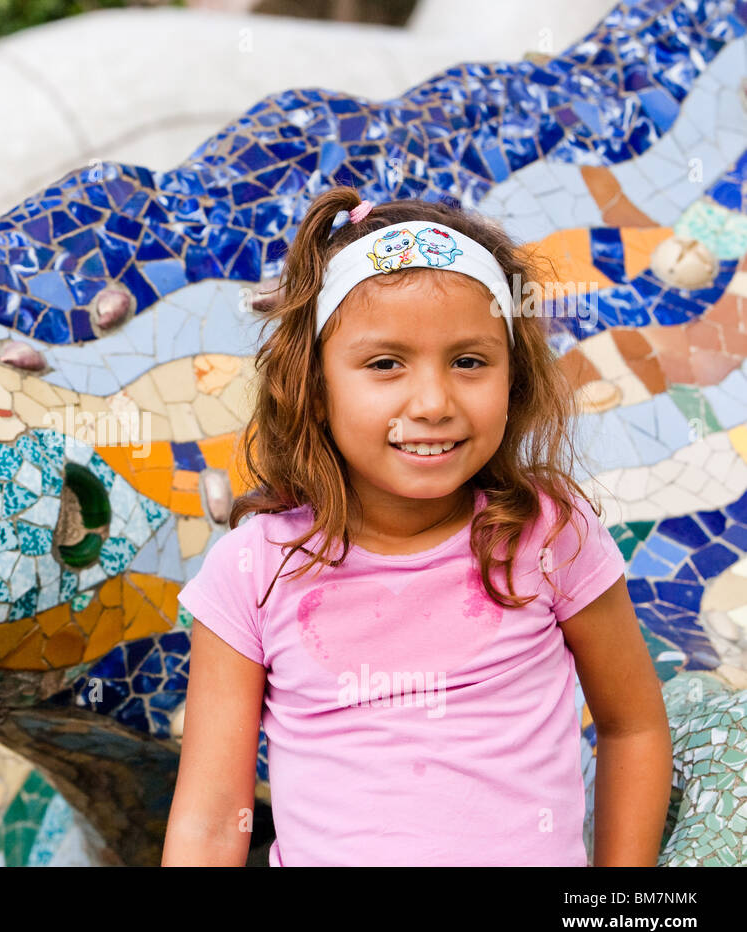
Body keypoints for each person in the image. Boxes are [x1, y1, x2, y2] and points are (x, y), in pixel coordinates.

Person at [161, 187, 673, 867]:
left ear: (513, 378)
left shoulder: (549, 537)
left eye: (468, 361)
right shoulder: (254, 570)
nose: (432, 403)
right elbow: (208, 819)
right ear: (314, 387)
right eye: (384, 364)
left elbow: (633, 727)